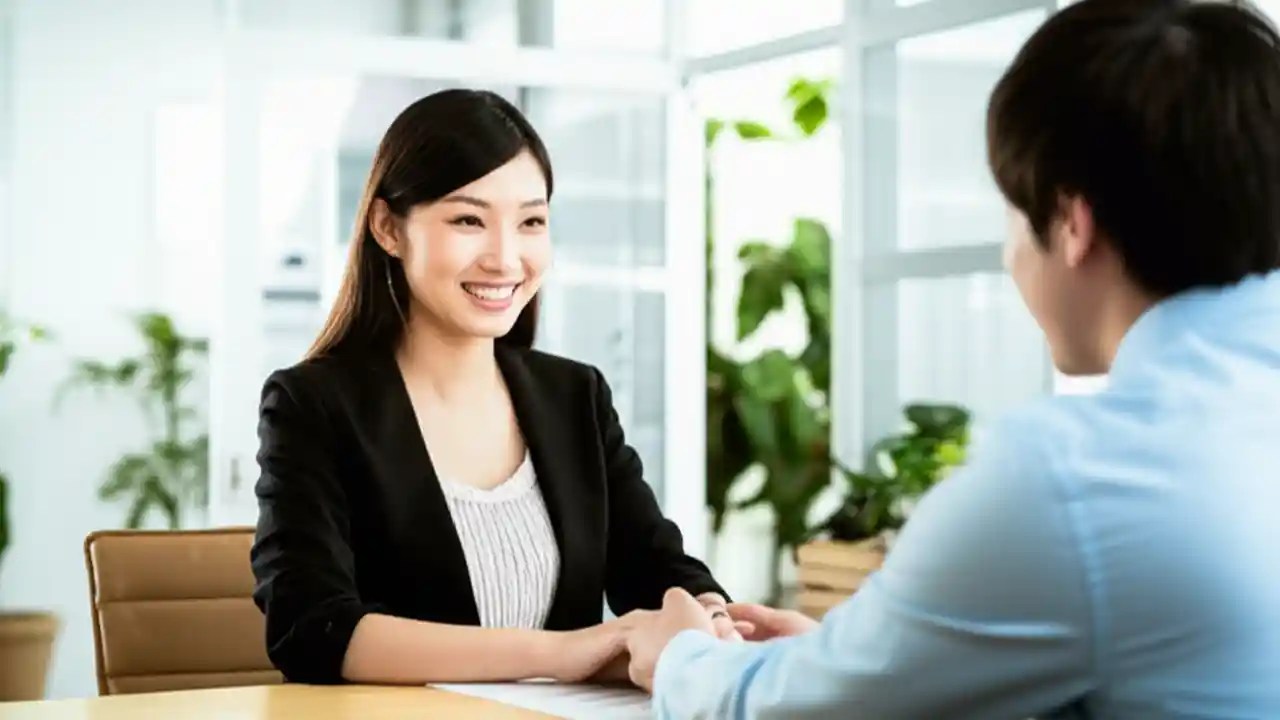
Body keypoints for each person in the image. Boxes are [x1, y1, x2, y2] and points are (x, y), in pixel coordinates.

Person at [626, 0, 1280, 717]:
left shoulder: (1082, 477)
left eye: (1009, 211)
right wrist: (872, 659)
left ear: (1070, 223)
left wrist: (681, 659)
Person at [250, 89, 736, 686]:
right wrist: (576, 650)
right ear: (387, 227)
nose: (506, 259)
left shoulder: (573, 395)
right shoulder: (315, 405)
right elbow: (312, 630)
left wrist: (715, 618)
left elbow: (658, 568)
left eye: (531, 221)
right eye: (468, 220)